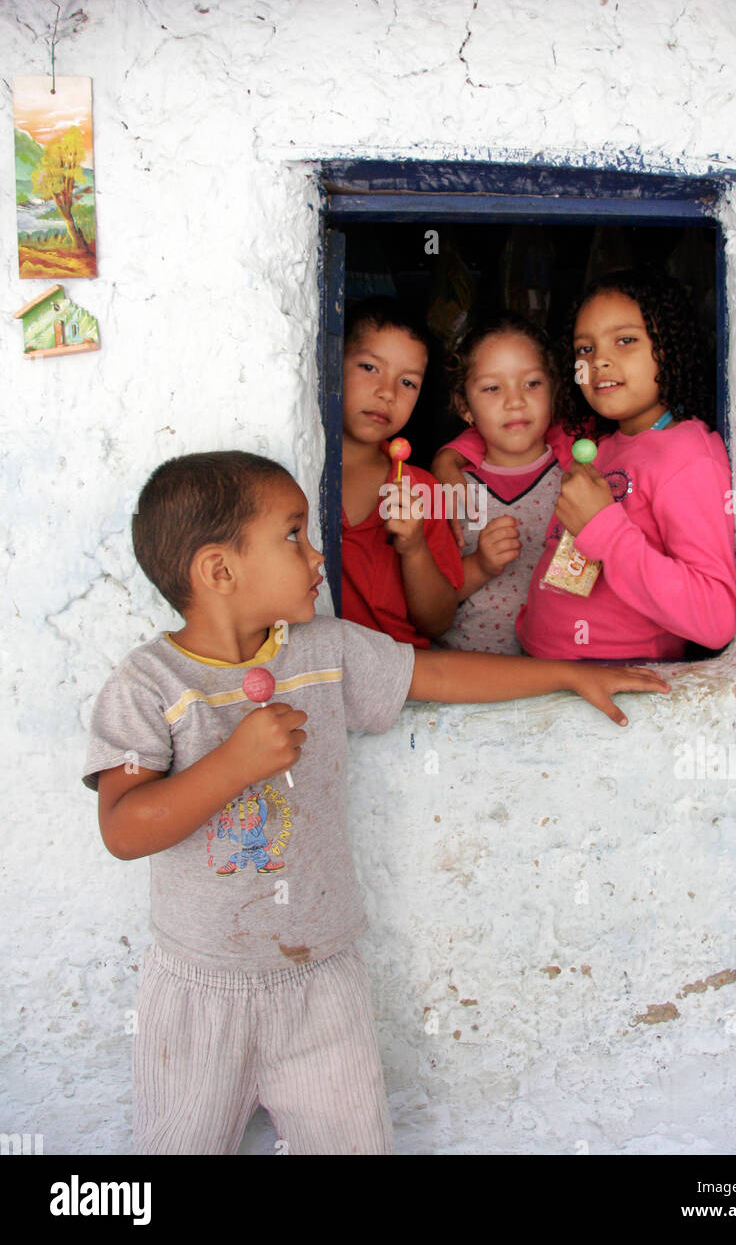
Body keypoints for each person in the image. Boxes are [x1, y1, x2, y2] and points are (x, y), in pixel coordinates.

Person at [84, 449, 671, 1155]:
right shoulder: (148, 684)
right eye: (294, 535)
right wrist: (234, 764)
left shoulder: (322, 652)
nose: (318, 554)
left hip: (321, 977)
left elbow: (438, 674)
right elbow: (123, 826)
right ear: (219, 570)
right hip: (199, 991)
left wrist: (564, 674)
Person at [515, 267, 736, 661]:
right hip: (544, 669)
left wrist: (605, 530)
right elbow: (526, 431)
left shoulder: (686, 454)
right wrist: (453, 456)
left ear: (669, 349)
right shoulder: (602, 445)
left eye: (625, 341)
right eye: (585, 349)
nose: (600, 360)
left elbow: (716, 617)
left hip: (612, 690)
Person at [431, 312, 593, 653]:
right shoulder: (449, 491)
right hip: (465, 679)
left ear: (553, 390)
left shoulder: (578, 483)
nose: (515, 400)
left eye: (532, 383)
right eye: (492, 388)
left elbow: (583, 587)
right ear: (465, 406)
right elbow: (428, 607)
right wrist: (479, 566)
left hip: (555, 681)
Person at [341, 297, 463, 646]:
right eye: (369, 367)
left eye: (408, 382)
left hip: (404, 678)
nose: (387, 392)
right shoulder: (295, 476)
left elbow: (438, 622)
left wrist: (414, 548)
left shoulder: (423, 489)